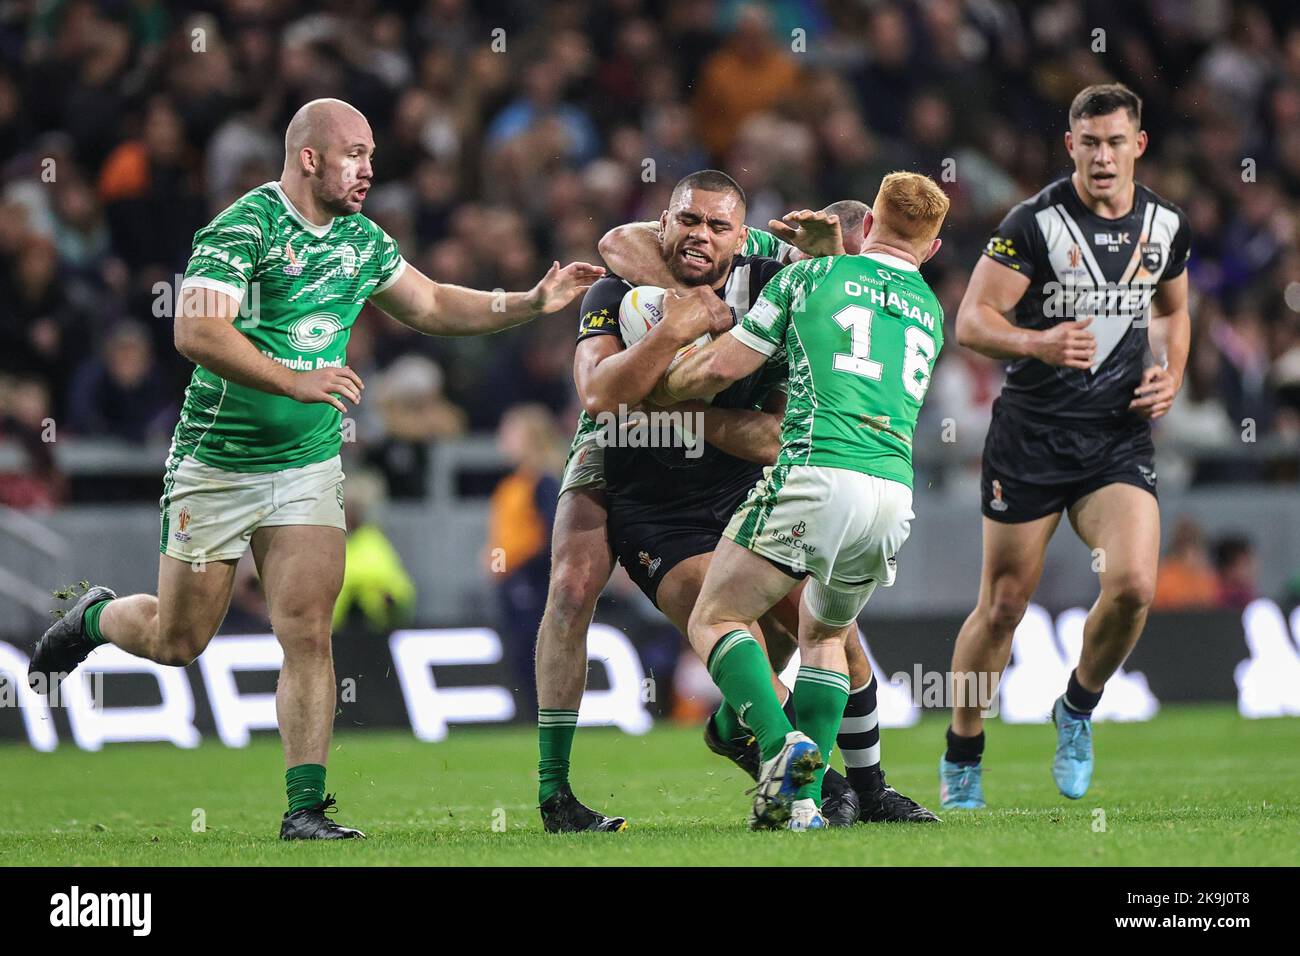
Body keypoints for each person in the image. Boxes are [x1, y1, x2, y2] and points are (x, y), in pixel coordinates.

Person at [28, 98, 603, 840]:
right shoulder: (243, 228)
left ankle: (304, 809)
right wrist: (293, 378)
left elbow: (429, 303)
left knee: (306, 632)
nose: (369, 169)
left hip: (306, 465)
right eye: (355, 155)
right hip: (218, 462)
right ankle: (97, 616)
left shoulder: (361, 241)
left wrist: (526, 302)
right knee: (179, 641)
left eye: (370, 156)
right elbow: (195, 328)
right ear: (310, 158)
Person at [660, 171, 950, 829]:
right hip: (890, 494)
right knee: (824, 635)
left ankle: (777, 742)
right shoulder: (930, 310)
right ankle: (799, 807)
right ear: (931, 251)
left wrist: (660, 381)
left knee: (717, 618)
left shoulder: (807, 279)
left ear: (869, 225)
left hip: (816, 472)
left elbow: (718, 369)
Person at [938, 83, 1192, 809]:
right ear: (1071, 146)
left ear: (1138, 145)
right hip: (1032, 439)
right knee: (1003, 606)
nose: (1103, 155)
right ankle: (964, 748)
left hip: (1115, 438)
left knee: (1136, 586)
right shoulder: (1035, 223)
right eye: (1090, 142)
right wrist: (1037, 340)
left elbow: (1174, 309)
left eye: (1116, 142)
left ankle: (1077, 706)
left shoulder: (1166, 225)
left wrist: (1170, 373)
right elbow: (973, 321)